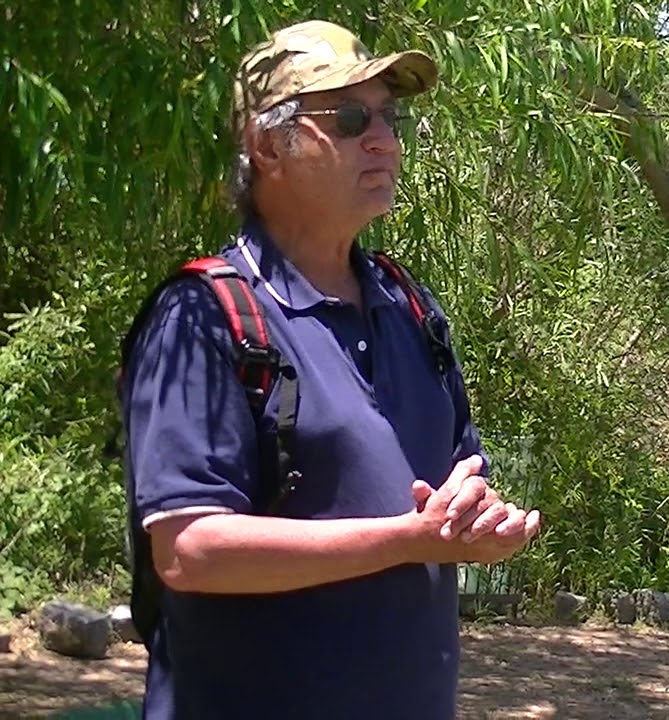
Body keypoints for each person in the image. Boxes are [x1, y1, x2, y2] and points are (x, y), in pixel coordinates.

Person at [118, 19, 541, 719]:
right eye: (348, 118)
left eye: (389, 117)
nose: (384, 140)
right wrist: (405, 541)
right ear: (267, 144)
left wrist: (479, 525)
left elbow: (458, 481)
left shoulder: (410, 307)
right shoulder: (203, 317)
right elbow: (190, 550)